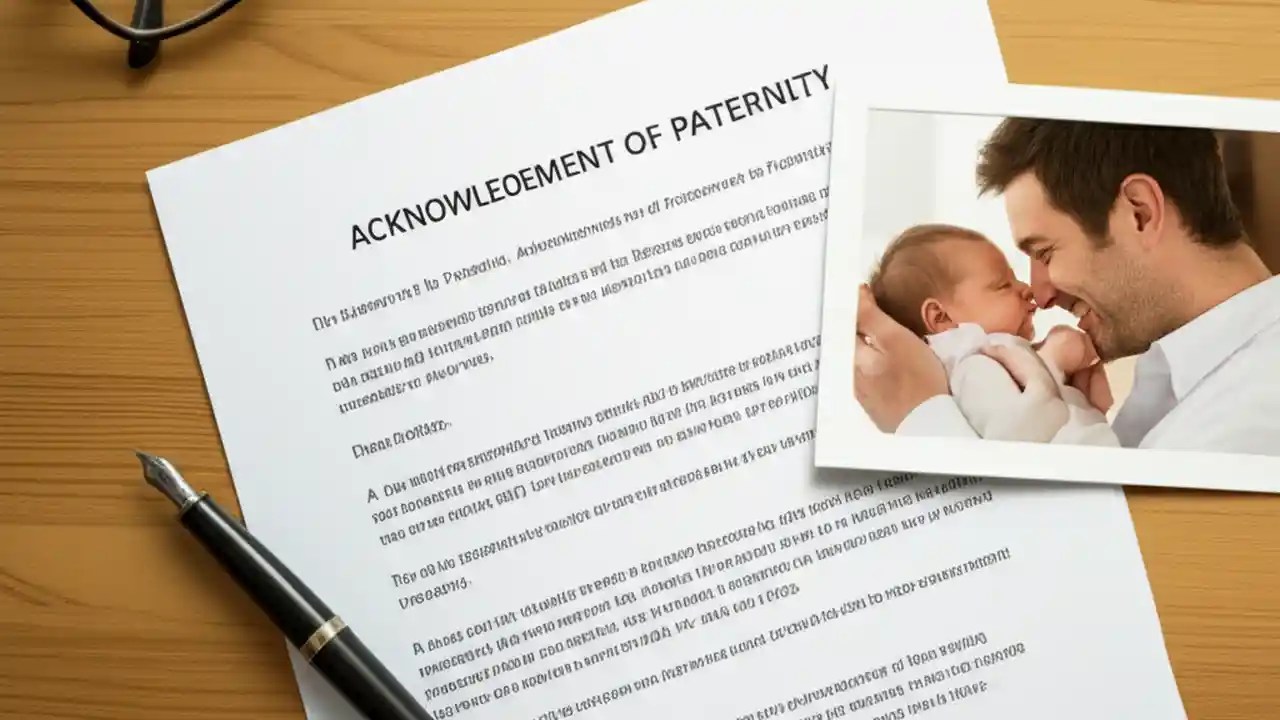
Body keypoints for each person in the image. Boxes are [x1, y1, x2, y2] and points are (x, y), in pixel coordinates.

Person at [853, 117, 1280, 456]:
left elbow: (1087, 559)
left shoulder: (1251, 415)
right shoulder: (1184, 382)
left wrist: (921, 418)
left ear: (1140, 214)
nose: (1039, 294)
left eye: (1045, 253)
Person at [867, 222, 1117, 445]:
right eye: (1003, 285)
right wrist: (1053, 361)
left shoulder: (997, 356)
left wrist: (1087, 403)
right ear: (940, 317)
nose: (1027, 289)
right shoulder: (973, 368)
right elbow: (1019, 434)